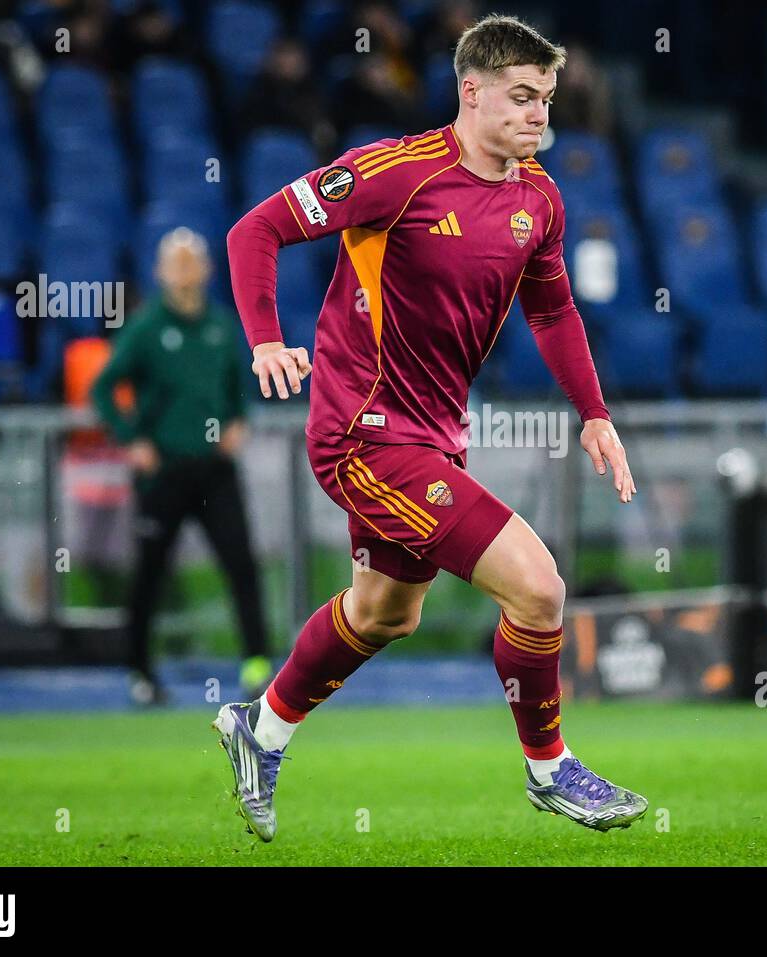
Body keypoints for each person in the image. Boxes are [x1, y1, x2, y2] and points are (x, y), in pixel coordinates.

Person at [220, 14, 644, 841]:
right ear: (472, 91)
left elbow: (553, 310)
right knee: (540, 586)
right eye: (522, 97)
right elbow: (255, 230)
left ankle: (259, 730)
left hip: (433, 433)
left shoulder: (539, 199)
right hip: (363, 434)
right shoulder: (394, 172)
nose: (538, 115)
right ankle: (551, 769)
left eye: (547, 98)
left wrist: (593, 413)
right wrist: (268, 339)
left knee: (384, 613)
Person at [91, 229, 271, 706]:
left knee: (242, 566)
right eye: (178, 263)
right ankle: (140, 672)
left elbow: (239, 384)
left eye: (194, 262)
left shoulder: (220, 325)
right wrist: (133, 440)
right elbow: (104, 387)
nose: (186, 272)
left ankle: (257, 666)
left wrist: (239, 421)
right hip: (164, 470)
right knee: (149, 572)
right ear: (160, 272)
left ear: (208, 270)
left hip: (214, 469)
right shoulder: (147, 329)